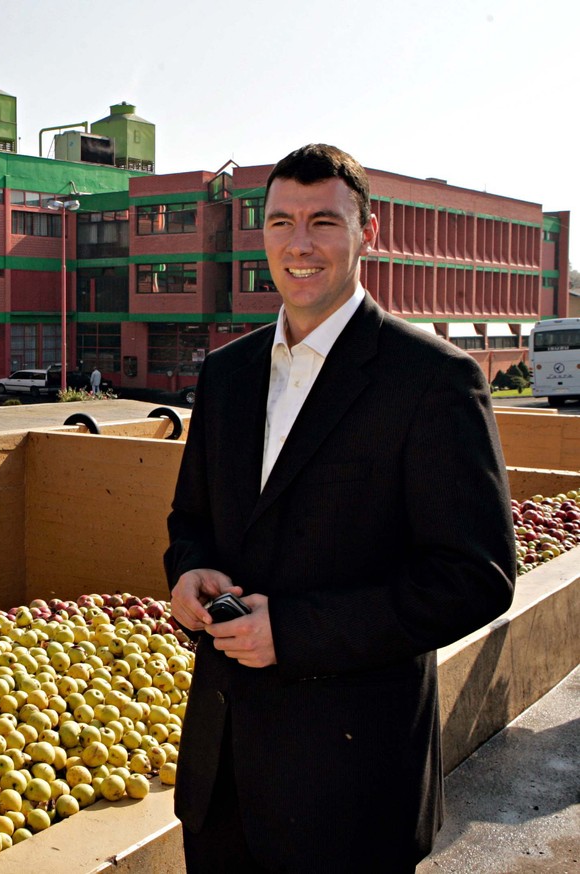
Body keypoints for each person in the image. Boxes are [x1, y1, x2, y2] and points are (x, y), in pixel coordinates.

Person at [164, 144, 515, 873]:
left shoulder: (432, 381)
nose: (300, 244)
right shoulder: (226, 375)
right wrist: (189, 574)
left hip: (350, 793)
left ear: (368, 234)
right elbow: (190, 522)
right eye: (281, 222)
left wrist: (292, 632)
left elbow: (474, 576)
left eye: (324, 222)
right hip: (222, 777)